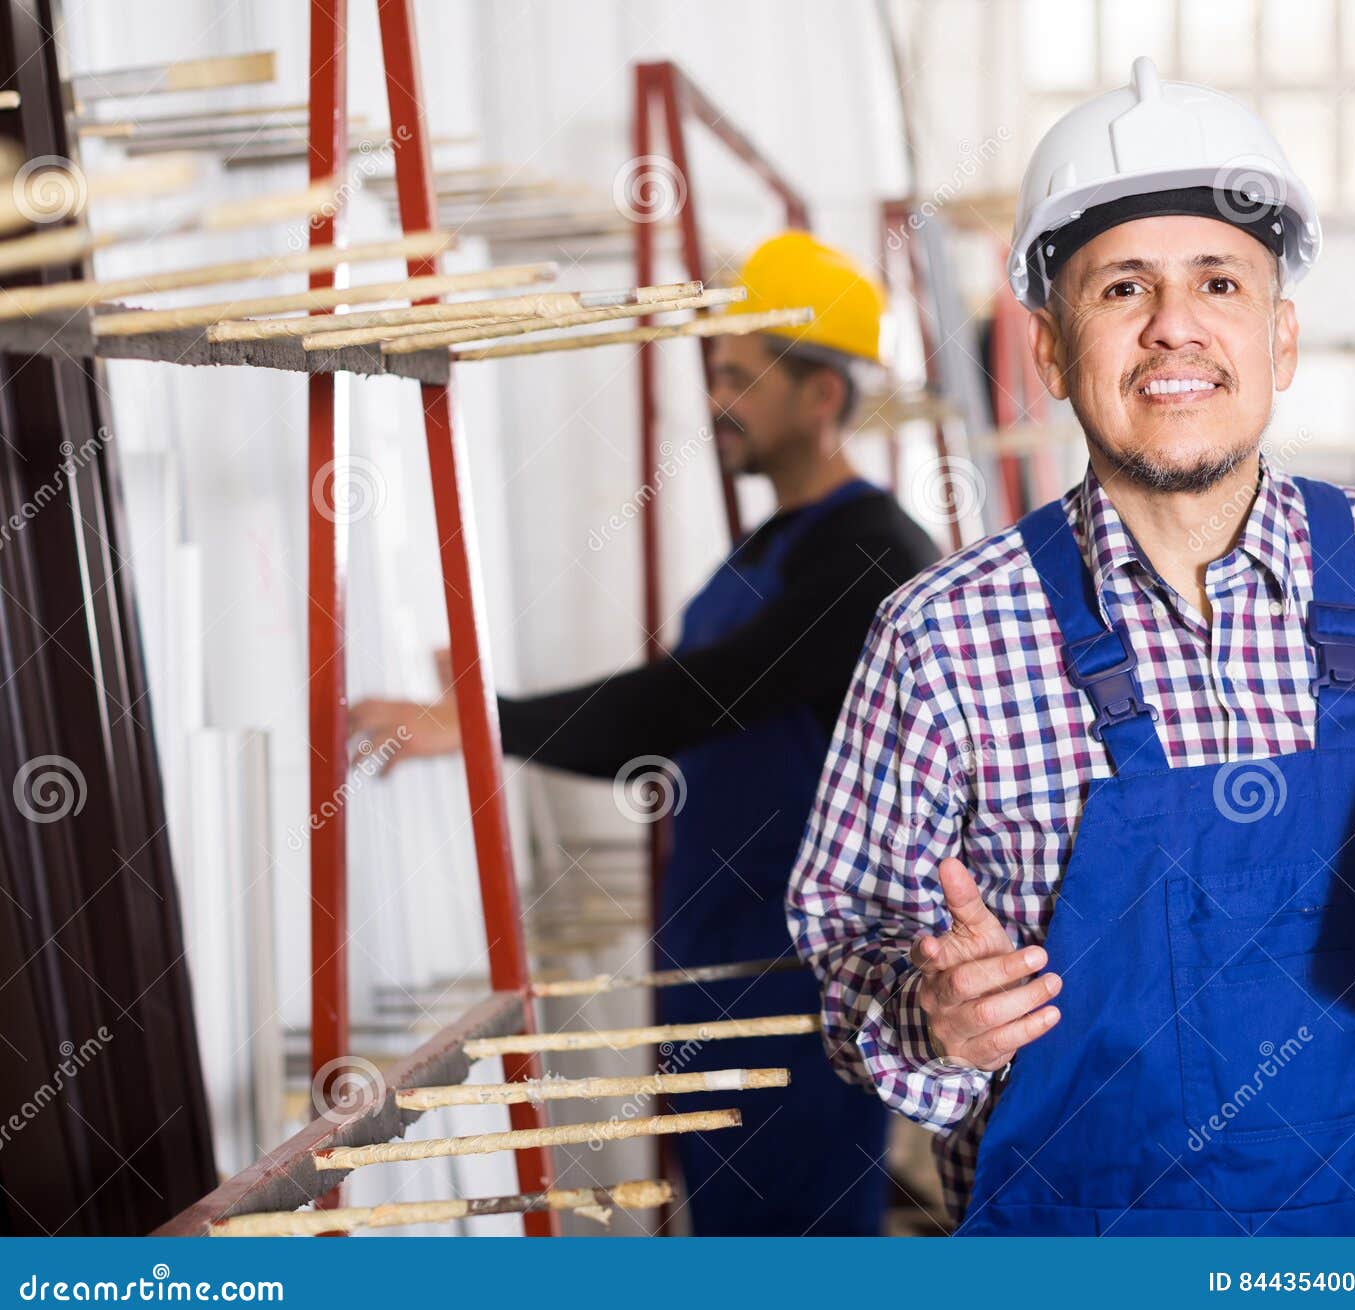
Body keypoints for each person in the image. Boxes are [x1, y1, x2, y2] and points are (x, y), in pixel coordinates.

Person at [786, 58, 1355, 1236]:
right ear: (1051, 352)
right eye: (1120, 288)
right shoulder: (941, 636)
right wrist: (929, 1017)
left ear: (1279, 335)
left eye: (1218, 280)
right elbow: (845, 948)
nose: (1175, 327)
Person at [351, 231, 937, 1236]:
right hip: (714, 956)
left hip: (800, 989)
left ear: (821, 398)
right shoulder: (776, 541)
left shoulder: (871, 555)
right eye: (715, 374)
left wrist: (482, 722)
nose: (718, 401)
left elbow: (693, 700)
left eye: (739, 378)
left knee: (797, 1240)